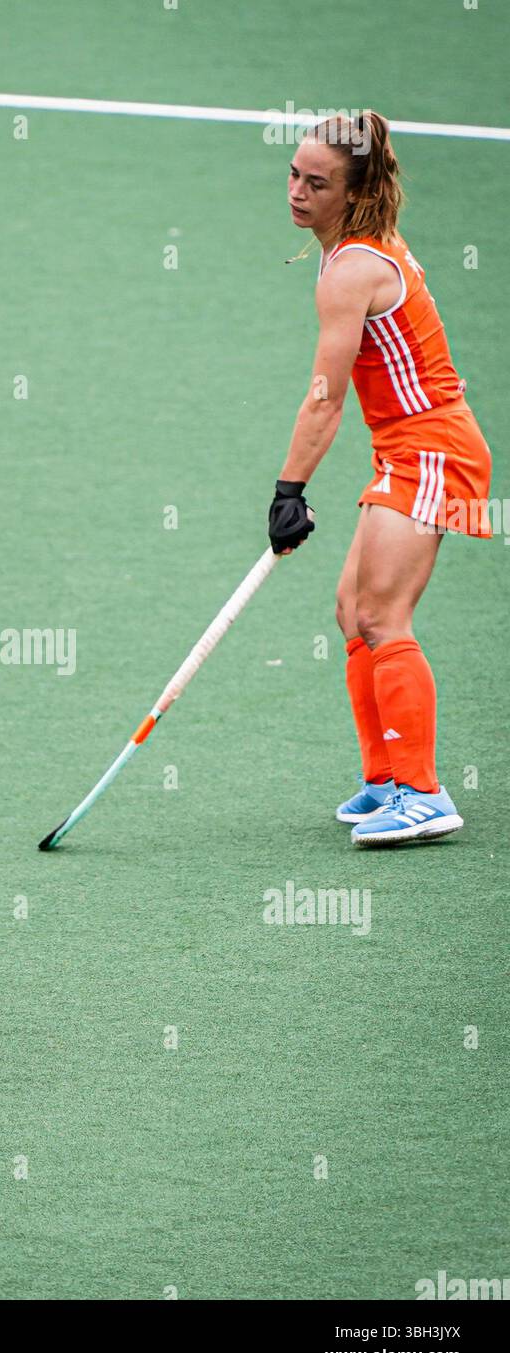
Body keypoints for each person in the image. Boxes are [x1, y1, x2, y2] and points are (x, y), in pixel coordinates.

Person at [268, 110, 491, 846]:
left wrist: (289, 490)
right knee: (349, 612)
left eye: (316, 182)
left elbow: (324, 397)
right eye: (294, 174)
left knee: (381, 617)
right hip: (402, 447)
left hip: (431, 448)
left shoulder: (355, 269)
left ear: (354, 191)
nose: (297, 192)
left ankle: (423, 795)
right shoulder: (357, 254)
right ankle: (385, 779)